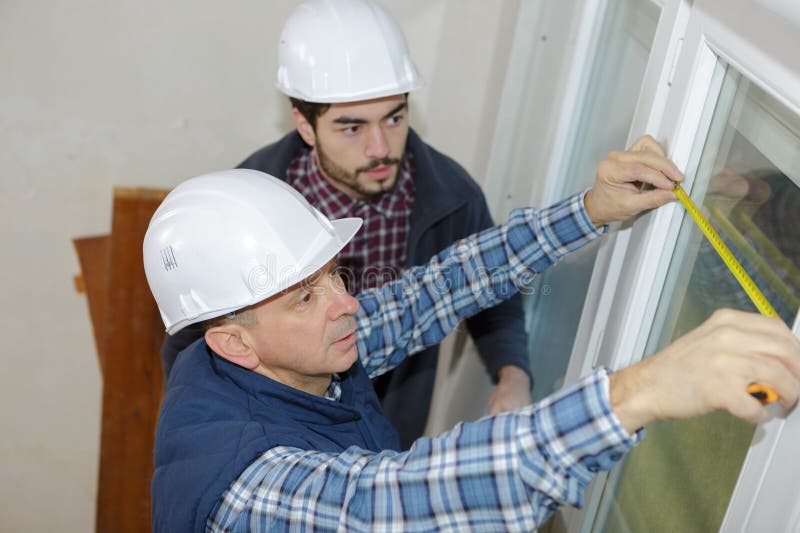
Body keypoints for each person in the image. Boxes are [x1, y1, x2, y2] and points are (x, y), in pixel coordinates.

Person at [143, 136, 800, 532]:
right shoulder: (245, 483)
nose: (347, 303)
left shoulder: (289, 350)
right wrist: (639, 392)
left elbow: (437, 288)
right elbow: (401, 500)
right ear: (234, 342)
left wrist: (590, 210)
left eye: (335, 274)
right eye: (306, 296)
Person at [159, 0, 533, 448]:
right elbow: (192, 348)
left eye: (394, 118)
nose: (380, 148)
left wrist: (513, 375)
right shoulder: (242, 209)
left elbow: (490, 287)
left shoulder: (450, 197)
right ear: (305, 125)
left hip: (390, 429)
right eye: (352, 128)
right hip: (283, 438)